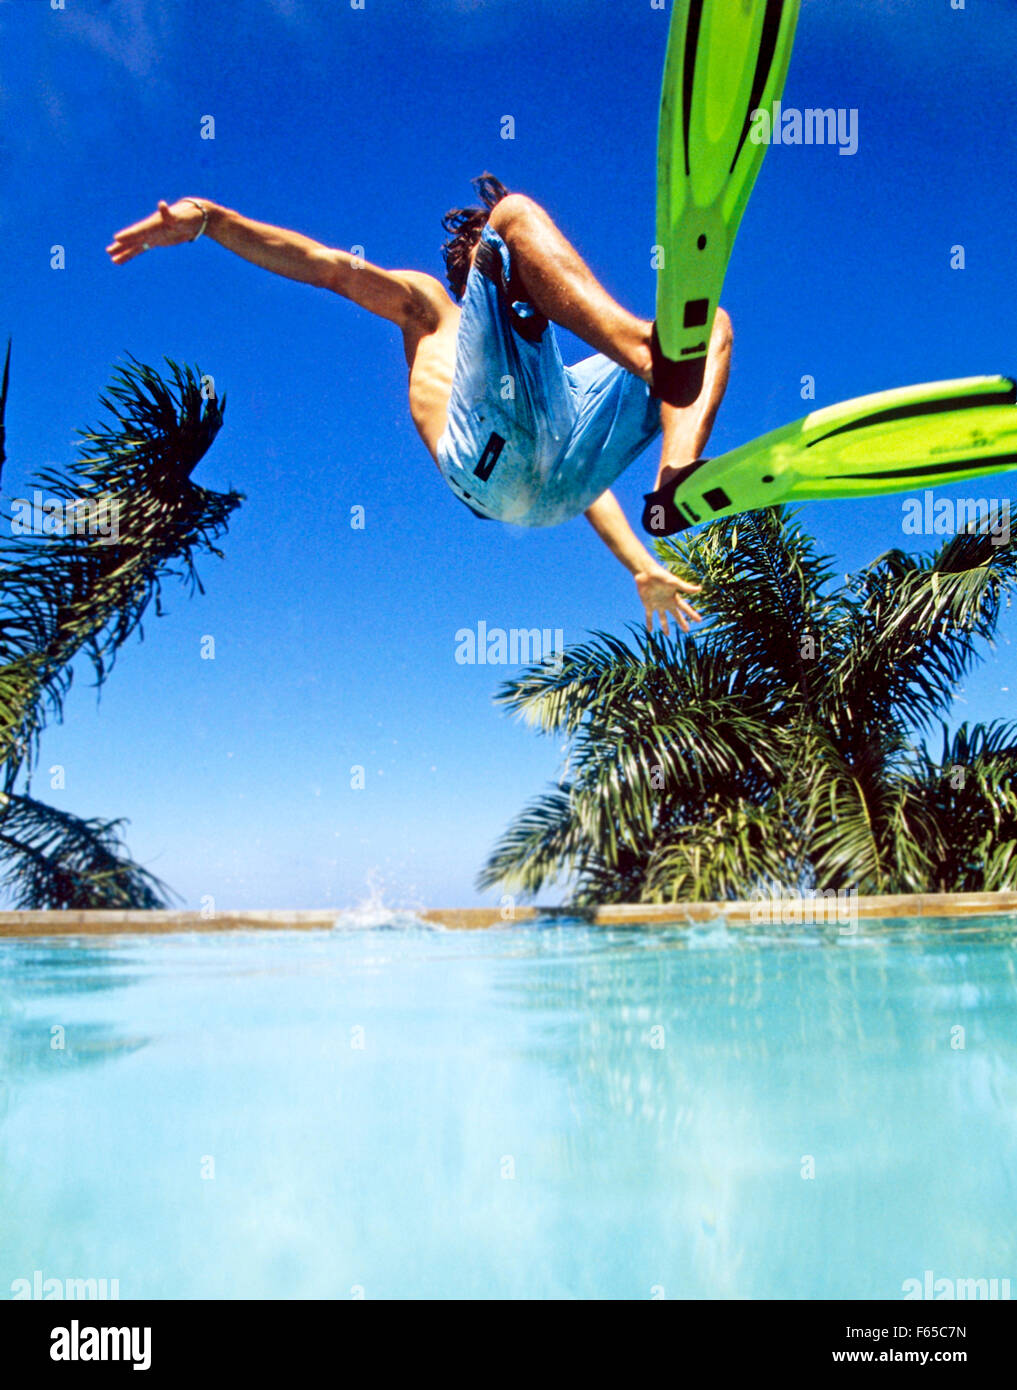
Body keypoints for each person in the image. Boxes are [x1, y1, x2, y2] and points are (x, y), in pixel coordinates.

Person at [107, 175, 733, 633]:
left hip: (551, 489)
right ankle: (648, 357)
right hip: (482, 465)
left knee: (706, 329)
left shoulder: (543, 380)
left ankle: (676, 473)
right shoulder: (433, 308)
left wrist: (638, 567)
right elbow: (330, 268)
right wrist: (213, 220)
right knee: (514, 214)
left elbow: (584, 485)